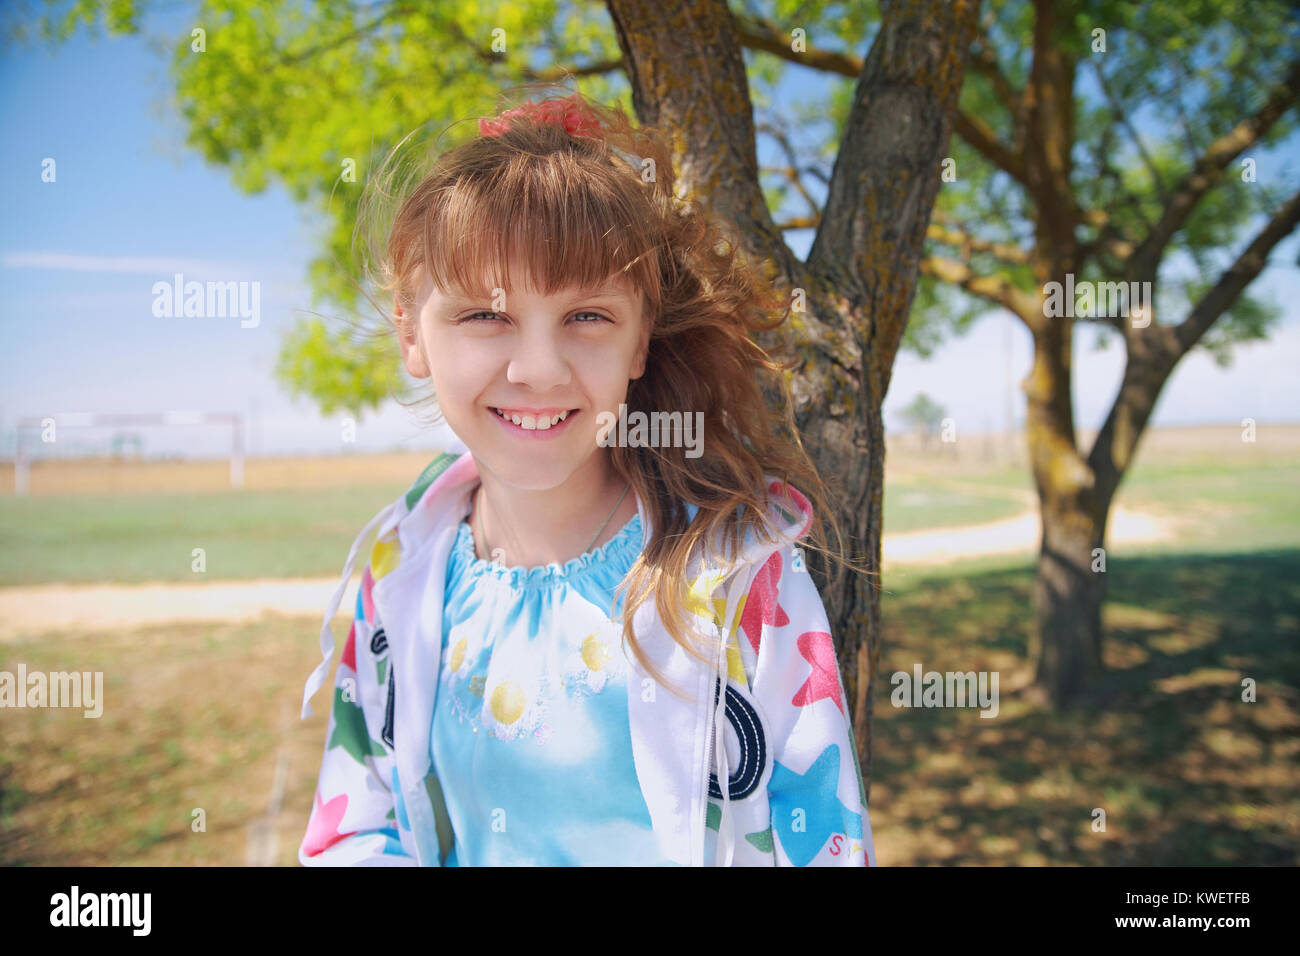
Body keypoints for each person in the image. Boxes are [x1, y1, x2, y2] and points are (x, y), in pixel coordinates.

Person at [296, 90, 878, 866]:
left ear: (640, 343)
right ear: (412, 331)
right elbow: (353, 830)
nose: (538, 370)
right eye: (484, 316)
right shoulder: (396, 571)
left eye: (588, 317)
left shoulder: (738, 571)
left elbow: (825, 843)